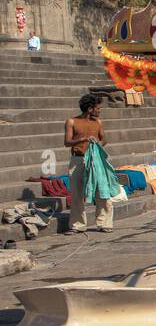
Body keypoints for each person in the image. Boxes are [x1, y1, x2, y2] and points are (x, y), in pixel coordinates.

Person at [64, 94, 113, 233]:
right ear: (90, 109)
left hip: (95, 160)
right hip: (78, 160)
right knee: (77, 194)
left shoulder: (98, 122)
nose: (99, 110)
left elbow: (104, 139)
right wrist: (84, 139)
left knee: (102, 191)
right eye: (98, 108)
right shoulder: (72, 122)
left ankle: (104, 223)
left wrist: (98, 144)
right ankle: (77, 225)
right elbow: (67, 142)